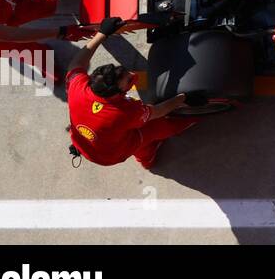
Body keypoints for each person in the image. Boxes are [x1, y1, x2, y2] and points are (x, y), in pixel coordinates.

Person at [66, 16, 200, 168]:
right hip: (110, 154)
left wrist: (102, 33)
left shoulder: (77, 87)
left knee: (123, 132)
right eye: (129, 80)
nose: (132, 74)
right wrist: (184, 98)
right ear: (117, 93)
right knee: (161, 126)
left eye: (122, 70)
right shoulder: (125, 112)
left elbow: (76, 64)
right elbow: (159, 111)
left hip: (86, 141)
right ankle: (147, 160)